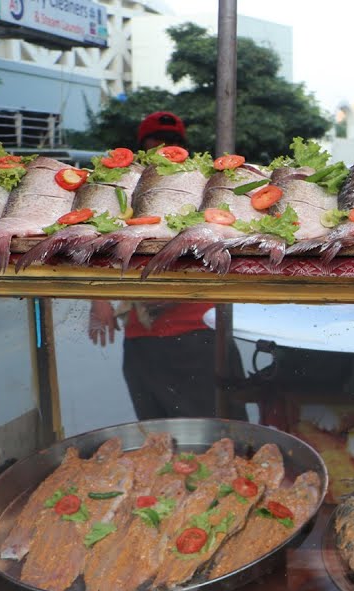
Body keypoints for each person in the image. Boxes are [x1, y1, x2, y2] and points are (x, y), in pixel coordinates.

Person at [88, 111, 246, 421]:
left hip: (201, 331)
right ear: (141, 148)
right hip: (142, 338)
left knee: (219, 435)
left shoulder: (200, 184)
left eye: (172, 143)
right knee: (158, 437)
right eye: (155, 143)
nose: (164, 150)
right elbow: (101, 240)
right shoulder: (130, 188)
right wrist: (99, 298)